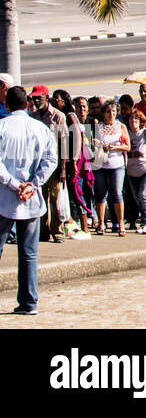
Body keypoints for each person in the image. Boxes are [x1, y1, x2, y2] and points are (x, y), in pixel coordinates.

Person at [0, 85, 58, 315]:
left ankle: (28, 301)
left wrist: (16, 185)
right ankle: (29, 301)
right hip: (31, 199)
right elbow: (51, 160)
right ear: (27, 105)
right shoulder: (40, 129)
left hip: (5, 198)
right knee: (28, 254)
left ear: (7, 105)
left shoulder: (2, 127)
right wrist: (33, 184)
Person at [25, 86, 67, 243]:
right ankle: (44, 231)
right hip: (37, 165)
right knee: (40, 197)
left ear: (46, 98)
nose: (36, 101)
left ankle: (57, 231)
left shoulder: (58, 116)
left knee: (55, 199)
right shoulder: (33, 116)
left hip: (54, 165)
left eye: (39, 98)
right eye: (34, 98)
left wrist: (63, 168)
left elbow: (64, 144)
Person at [91, 100, 130, 236]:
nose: (111, 114)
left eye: (114, 111)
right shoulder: (98, 127)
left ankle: (120, 224)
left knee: (117, 193)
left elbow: (127, 147)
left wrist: (115, 147)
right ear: (104, 113)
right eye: (108, 111)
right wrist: (100, 145)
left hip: (116, 164)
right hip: (101, 164)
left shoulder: (121, 127)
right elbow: (93, 144)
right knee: (100, 194)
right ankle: (101, 223)